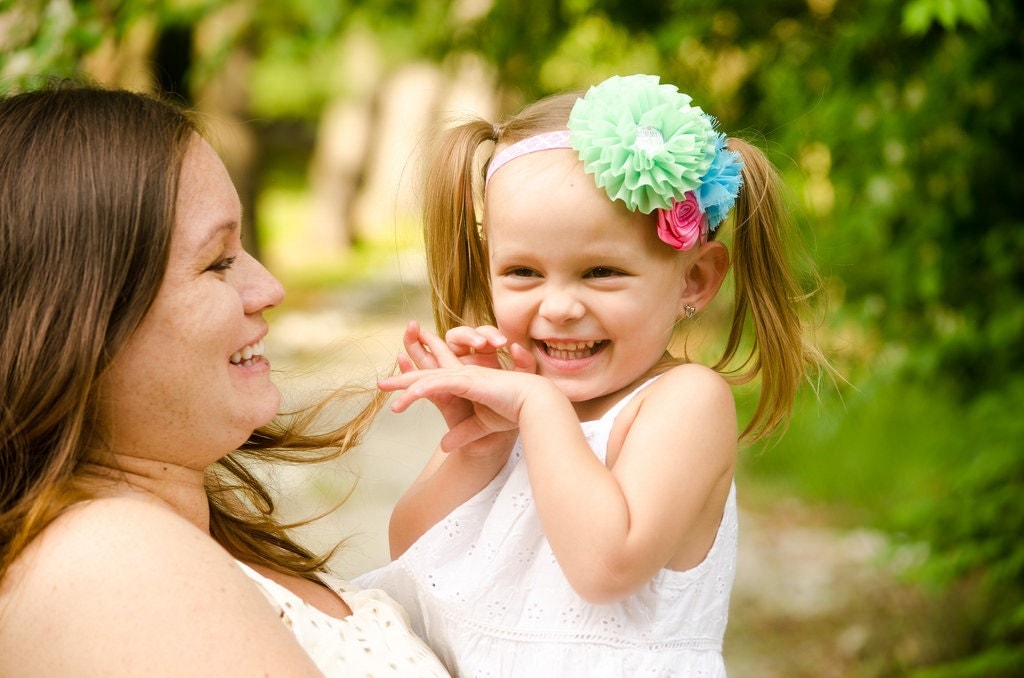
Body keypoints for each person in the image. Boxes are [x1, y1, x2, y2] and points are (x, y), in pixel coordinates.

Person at [355, 74, 826, 676]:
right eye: (523, 271)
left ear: (694, 280)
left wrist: (538, 412)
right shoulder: (519, 402)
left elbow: (608, 567)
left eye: (601, 271)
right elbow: (410, 552)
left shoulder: (684, 401)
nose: (558, 307)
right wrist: (482, 449)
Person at [0, 82, 450, 677]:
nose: (269, 290)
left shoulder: (173, 537)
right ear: (80, 318)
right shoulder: (114, 561)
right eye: (217, 262)